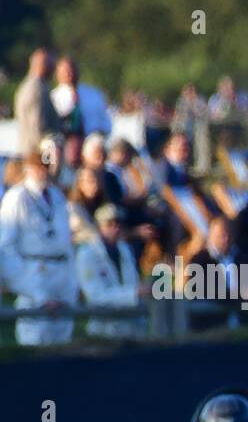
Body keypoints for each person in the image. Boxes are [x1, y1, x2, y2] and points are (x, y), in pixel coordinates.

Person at [0, 145, 78, 345]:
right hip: (35, 271)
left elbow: (65, 240)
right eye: (38, 166)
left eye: (46, 166)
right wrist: (30, 287)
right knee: (35, 338)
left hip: (61, 274)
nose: (43, 171)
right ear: (28, 168)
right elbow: (6, 247)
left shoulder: (57, 196)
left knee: (63, 339)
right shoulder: (17, 197)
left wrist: (72, 279)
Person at [77, 204, 146, 339]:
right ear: (98, 227)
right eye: (109, 224)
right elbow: (95, 296)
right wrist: (134, 293)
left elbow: (132, 282)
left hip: (131, 329)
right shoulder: (87, 254)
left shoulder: (125, 250)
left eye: (118, 224)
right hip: (103, 331)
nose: (115, 228)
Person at [188, 216, 248, 331]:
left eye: (229, 235)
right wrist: (240, 296)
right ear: (211, 236)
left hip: (241, 328)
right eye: (221, 235)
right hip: (209, 327)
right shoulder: (199, 260)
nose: (225, 239)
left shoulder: (242, 258)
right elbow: (204, 290)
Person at [51, 56, 113, 139]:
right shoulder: (54, 98)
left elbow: (105, 120)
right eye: (66, 70)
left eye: (73, 69)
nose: (70, 73)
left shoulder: (94, 94)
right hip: (66, 143)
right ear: (57, 73)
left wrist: (101, 134)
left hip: (92, 143)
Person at [14, 49, 59, 155]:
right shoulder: (36, 89)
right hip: (36, 152)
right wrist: (42, 156)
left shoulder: (32, 85)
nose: (54, 69)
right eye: (51, 65)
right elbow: (37, 125)